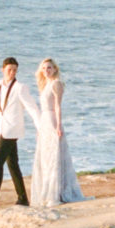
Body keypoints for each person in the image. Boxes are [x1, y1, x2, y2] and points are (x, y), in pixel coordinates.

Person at [0, 56, 36, 207]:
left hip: (13, 129)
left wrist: (40, 125)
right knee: (13, 165)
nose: (12, 73)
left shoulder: (20, 87)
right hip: (2, 130)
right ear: (3, 69)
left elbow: (31, 107)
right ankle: (23, 198)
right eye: (9, 70)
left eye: (14, 70)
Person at [30, 57, 85, 205]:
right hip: (45, 122)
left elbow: (57, 107)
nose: (46, 70)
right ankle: (46, 193)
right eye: (44, 68)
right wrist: (40, 128)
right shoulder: (45, 85)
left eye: (49, 68)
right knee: (45, 157)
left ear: (55, 69)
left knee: (55, 156)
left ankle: (55, 194)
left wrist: (59, 125)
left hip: (53, 120)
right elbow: (43, 109)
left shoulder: (56, 84)